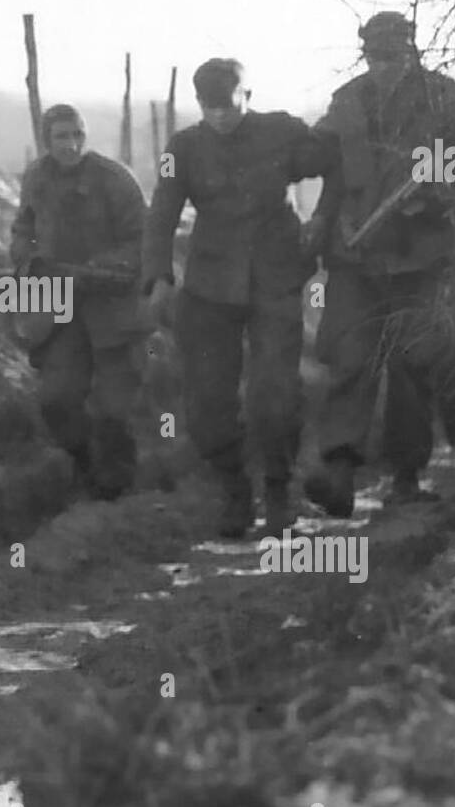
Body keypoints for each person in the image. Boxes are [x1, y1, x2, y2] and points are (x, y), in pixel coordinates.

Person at [302, 10, 455, 517]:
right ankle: (340, 471)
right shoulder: (347, 101)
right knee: (351, 358)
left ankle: (407, 476)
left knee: (413, 362)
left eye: (393, 55)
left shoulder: (444, 97)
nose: (384, 66)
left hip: (422, 257)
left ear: (411, 51)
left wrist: (437, 191)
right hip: (356, 255)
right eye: (375, 56)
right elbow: (323, 156)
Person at [143, 58, 341, 537]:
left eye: (228, 107)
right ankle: (234, 491)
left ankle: (278, 492)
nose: (219, 117)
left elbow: (336, 163)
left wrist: (322, 221)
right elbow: (162, 209)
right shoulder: (183, 148)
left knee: (273, 398)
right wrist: (158, 276)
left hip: (274, 279)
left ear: (246, 96)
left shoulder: (282, 133)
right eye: (209, 109)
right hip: (210, 287)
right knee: (207, 404)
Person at [10, 104, 149, 499]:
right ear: (46, 140)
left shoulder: (115, 180)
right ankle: (86, 466)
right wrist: (27, 258)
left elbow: (142, 241)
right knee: (57, 400)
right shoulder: (36, 178)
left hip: (113, 308)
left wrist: (93, 269)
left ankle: (118, 492)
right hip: (60, 310)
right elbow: (24, 227)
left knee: (114, 409)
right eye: (61, 137)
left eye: (78, 136)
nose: (71, 145)